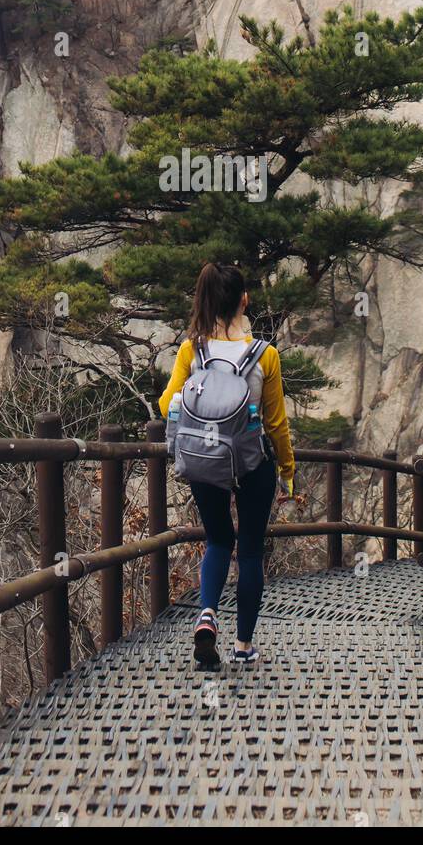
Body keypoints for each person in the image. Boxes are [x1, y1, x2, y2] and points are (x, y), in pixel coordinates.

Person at [159, 262, 295, 666]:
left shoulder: (192, 349)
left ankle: (206, 614)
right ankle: (243, 647)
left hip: (205, 462)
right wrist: (287, 469)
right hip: (253, 463)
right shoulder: (265, 355)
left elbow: (168, 404)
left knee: (218, 540)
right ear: (244, 301)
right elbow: (276, 422)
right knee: (250, 552)